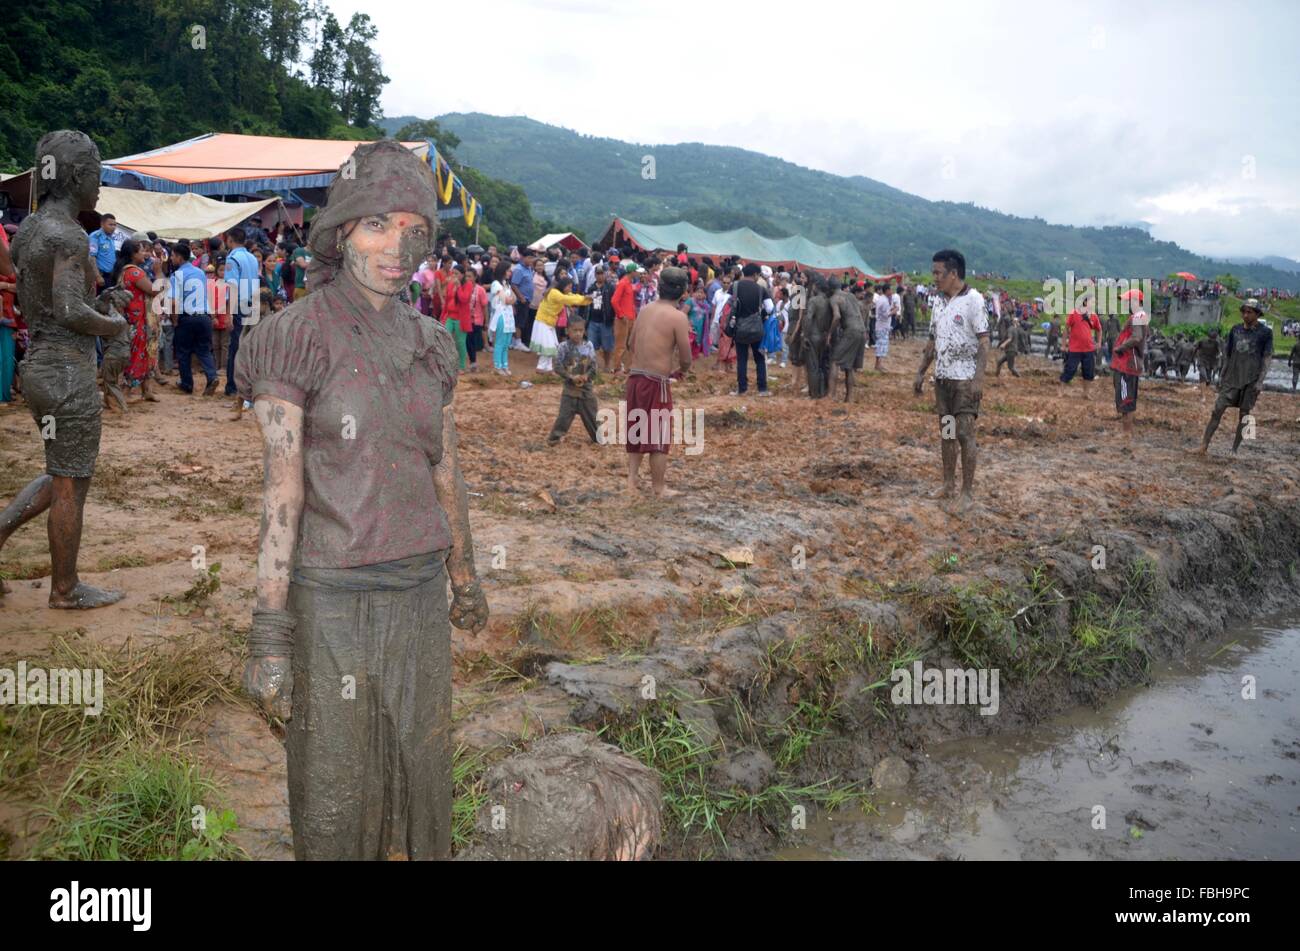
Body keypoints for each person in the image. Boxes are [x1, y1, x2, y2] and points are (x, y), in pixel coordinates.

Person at [235, 139, 487, 860]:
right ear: (341, 230)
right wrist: (268, 634)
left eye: (415, 231)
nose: (397, 247)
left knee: (420, 776)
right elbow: (282, 490)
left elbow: (447, 470)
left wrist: (464, 576)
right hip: (331, 601)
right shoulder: (291, 339)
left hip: (417, 598)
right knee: (335, 788)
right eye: (377, 224)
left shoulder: (433, 342)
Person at [0, 130, 127, 609]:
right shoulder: (69, 234)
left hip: (37, 370)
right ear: (77, 176)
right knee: (73, 482)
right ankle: (66, 589)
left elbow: (38, 290)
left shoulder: (30, 229)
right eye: (95, 175)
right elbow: (71, 309)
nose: (99, 188)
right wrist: (113, 326)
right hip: (68, 372)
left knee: (61, 472)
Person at [913, 249, 988, 512]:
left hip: (965, 381)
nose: (934, 278)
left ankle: (967, 493)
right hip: (943, 379)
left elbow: (984, 342)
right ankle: (948, 484)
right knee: (947, 433)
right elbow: (933, 339)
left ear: (953, 273)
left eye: (938, 273)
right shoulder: (938, 301)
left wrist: (979, 379)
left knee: (965, 434)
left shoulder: (974, 301)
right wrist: (922, 371)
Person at [624, 267, 692, 498]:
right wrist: (681, 370)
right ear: (683, 291)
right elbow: (686, 357)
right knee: (658, 437)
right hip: (656, 381)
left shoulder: (645, 310)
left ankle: (631, 482)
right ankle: (658, 487)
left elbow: (630, 343)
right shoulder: (678, 317)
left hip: (635, 377)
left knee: (636, 430)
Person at [1198, 298, 1273, 456]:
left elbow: (1266, 358)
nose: (1245, 315)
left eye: (1249, 312)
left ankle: (1235, 449)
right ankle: (1204, 445)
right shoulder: (1235, 330)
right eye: (1244, 311)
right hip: (1232, 378)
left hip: (1251, 380)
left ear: (1257, 314)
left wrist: (1260, 382)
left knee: (1245, 414)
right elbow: (1228, 354)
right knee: (1217, 410)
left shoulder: (1265, 333)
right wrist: (1221, 375)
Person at [110, 239, 158, 403]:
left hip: (131, 318)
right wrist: (159, 273)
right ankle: (125, 391)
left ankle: (147, 390)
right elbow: (154, 290)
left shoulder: (124, 270)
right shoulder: (135, 272)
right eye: (141, 251)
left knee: (143, 352)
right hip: (139, 320)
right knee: (139, 353)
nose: (145, 254)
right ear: (133, 254)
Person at [169, 243, 219, 395]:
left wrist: (175, 320)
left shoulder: (177, 275)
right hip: (204, 316)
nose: (171, 258)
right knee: (204, 350)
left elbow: (173, 301)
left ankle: (187, 384)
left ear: (179, 256)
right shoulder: (199, 272)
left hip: (187, 317)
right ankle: (212, 377)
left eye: (172, 255)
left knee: (183, 352)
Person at [547, 317, 601, 446]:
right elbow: (557, 366)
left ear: (584, 331)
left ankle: (599, 439)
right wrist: (570, 377)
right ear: (568, 331)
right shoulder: (563, 347)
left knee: (592, 416)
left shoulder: (589, 346)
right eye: (574, 330)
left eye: (581, 330)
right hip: (570, 388)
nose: (578, 333)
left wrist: (587, 376)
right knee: (564, 417)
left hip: (586, 388)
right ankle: (554, 440)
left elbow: (594, 366)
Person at [223, 226, 260, 398]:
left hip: (239, 306)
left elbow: (232, 287)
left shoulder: (232, 259)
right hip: (253, 304)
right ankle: (249, 386)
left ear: (230, 239)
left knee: (236, 348)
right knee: (250, 348)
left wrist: (229, 312)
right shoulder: (253, 258)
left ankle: (232, 386)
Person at [1108, 292, 1149, 443]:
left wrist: (1120, 348)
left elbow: (1137, 337)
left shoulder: (1138, 317)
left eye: (1127, 301)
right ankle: (1126, 432)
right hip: (1128, 364)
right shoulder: (1139, 317)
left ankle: (1127, 433)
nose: (1125, 304)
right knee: (1126, 398)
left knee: (1126, 399)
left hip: (1127, 364)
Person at [533, 273, 590, 373]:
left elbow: (572, 297)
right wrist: (585, 299)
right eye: (569, 287)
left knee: (553, 346)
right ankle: (541, 367)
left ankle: (548, 368)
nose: (570, 289)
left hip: (549, 323)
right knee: (548, 345)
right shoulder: (554, 293)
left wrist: (586, 300)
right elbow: (568, 299)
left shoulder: (561, 293)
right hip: (543, 321)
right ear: (563, 286)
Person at [729, 263, 772, 396]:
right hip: (756, 329)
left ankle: (742, 389)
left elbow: (728, 304)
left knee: (742, 359)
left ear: (744, 273)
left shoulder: (734, 286)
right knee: (759, 358)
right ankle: (762, 389)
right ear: (755, 275)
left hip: (739, 327)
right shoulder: (761, 289)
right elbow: (770, 308)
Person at [828, 283, 866, 402]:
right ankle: (849, 397)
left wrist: (829, 333)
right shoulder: (851, 296)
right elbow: (859, 314)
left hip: (851, 331)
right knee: (849, 366)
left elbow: (837, 317)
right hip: (862, 331)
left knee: (834, 361)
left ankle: (831, 395)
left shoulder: (834, 298)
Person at [1060, 302, 1101, 395]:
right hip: (1075, 348)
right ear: (1086, 302)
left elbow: (1099, 329)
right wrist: (1063, 345)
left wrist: (1099, 343)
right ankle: (1061, 391)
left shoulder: (1093, 315)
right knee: (1069, 369)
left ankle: (1086, 393)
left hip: (1089, 349)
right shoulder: (1074, 313)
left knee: (1088, 371)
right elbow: (1066, 329)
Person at [586, 265, 616, 370]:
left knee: (607, 346)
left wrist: (613, 319)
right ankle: (593, 366)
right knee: (591, 345)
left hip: (606, 321)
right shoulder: (591, 287)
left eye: (601, 273)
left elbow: (614, 304)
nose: (600, 276)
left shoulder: (610, 287)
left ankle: (607, 365)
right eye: (598, 273)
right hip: (593, 320)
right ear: (595, 275)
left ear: (605, 274)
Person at [488, 261, 517, 375]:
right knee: (500, 342)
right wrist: (511, 299)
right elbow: (508, 300)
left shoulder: (506, 284)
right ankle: (497, 366)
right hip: (500, 315)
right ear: (504, 270)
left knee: (506, 343)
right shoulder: (496, 284)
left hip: (508, 316)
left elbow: (512, 299)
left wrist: (511, 299)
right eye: (509, 270)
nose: (510, 272)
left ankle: (504, 365)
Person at [611, 261, 639, 372]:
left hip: (630, 317)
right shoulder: (623, 283)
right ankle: (617, 368)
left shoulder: (628, 283)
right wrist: (621, 315)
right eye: (637, 271)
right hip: (623, 319)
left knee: (631, 344)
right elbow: (614, 301)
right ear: (632, 272)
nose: (638, 274)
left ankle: (629, 367)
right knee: (621, 345)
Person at [87, 212, 124, 288]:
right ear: (102, 224)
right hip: (100, 276)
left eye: (114, 225)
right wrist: (97, 276)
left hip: (110, 276)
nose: (113, 227)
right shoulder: (95, 237)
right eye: (110, 225)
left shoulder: (111, 238)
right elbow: (91, 257)